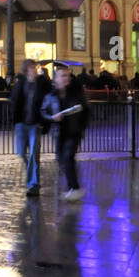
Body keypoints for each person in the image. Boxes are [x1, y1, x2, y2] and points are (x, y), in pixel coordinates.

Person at [42, 64, 90, 201]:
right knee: (62, 159)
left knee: (68, 157)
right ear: (56, 79)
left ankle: (74, 188)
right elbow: (43, 111)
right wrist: (51, 118)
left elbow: (86, 110)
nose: (66, 78)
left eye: (67, 75)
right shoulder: (51, 95)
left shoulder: (75, 92)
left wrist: (81, 127)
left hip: (73, 132)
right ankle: (72, 188)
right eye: (63, 76)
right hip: (59, 132)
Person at [9, 59, 51, 196]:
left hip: (35, 124)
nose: (34, 70)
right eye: (32, 68)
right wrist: (14, 121)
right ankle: (32, 175)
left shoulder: (42, 84)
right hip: (21, 123)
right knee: (21, 152)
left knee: (34, 155)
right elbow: (15, 101)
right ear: (26, 70)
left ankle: (33, 184)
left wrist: (44, 122)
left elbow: (47, 102)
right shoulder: (21, 83)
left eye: (35, 67)